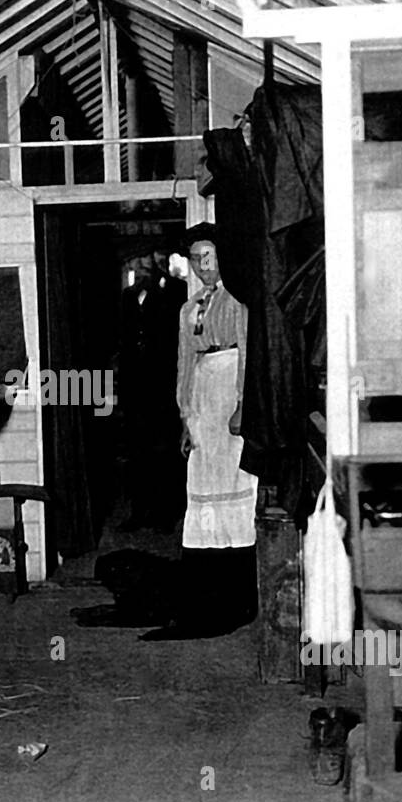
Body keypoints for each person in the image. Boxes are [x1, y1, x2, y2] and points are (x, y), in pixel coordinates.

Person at [142, 222, 258, 640]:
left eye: (210, 257)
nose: (204, 266)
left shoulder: (239, 302)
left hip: (230, 397)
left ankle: (243, 591)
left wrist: (243, 405)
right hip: (202, 404)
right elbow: (184, 365)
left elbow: (247, 353)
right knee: (204, 493)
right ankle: (211, 589)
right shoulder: (187, 309)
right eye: (197, 259)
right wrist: (185, 418)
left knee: (237, 491)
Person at [117, 248, 186, 531]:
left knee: (165, 451)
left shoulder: (176, 291)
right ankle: (138, 512)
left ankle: (165, 514)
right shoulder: (127, 297)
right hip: (135, 387)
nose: (143, 266)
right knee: (137, 451)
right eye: (138, 261)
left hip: (164, 386)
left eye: (148, 261)